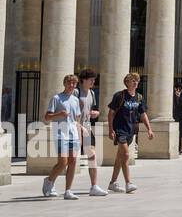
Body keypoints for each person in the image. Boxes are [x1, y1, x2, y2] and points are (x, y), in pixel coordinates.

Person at [107, 73, 153, 193]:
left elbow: (143, 114)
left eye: (137, 81)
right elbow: (111, 113)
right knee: (126, 155)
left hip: (131, 130)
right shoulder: (120, 95)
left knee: (120, 157)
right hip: (120, 129)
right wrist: (111, 129)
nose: (136, 83)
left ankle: (112, 183)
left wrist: (149, 129)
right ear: (127, 82)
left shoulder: (139, 97)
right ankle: (128, 183)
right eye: (133, 81)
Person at [42, 74, 83, 200]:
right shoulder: (56, 98)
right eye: (69, 83)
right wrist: (59, 114)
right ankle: (49, 181)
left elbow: (77, 120)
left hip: (73, 134)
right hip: (60, 134)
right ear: (64, 84)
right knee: (62, 162)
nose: (71, 86)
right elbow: (47, 117)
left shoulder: (76, 100)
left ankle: (68, 191)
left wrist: (80, 137)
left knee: (73, 161)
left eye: (74, 84)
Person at [76, 69, 108, 197]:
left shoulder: (92, 93)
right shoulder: (76, 92)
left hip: (87, 126)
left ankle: (94, 186)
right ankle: (50, 180)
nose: (93, 82)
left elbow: (92, 110)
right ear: (83, 80)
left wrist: (96, 113)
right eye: (91, 80)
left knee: (92, 155)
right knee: (68, 160)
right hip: (75, 126)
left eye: (94, 80)